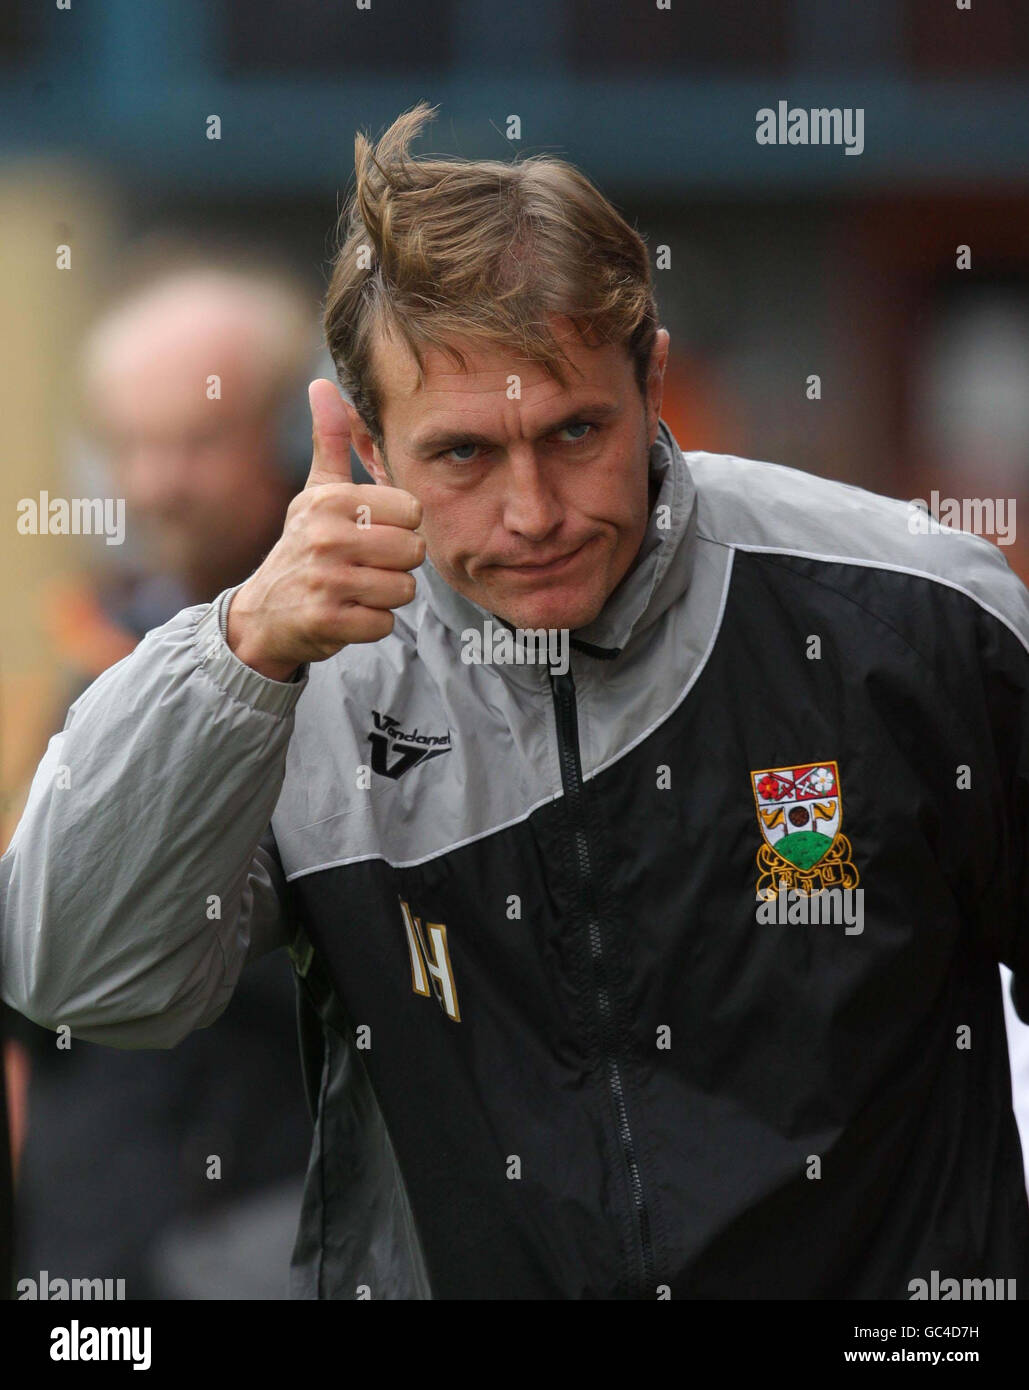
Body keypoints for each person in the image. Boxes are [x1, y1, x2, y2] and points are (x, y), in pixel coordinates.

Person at [3, 101, 1029, 1300]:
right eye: (465, 456)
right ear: (368, 444)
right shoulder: (296, 680)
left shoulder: (911, 610)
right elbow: (76, 976)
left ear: (652, 379)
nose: (534, 510)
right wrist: (234, 657)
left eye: (576, 430)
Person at [6, 254, 324, 1300]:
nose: (157, 482)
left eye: (196, 442)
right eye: (131, 447)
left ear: (287, 438)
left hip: (274, 1238)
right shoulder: (89, 660)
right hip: (90, 1248)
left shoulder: (356, 653)